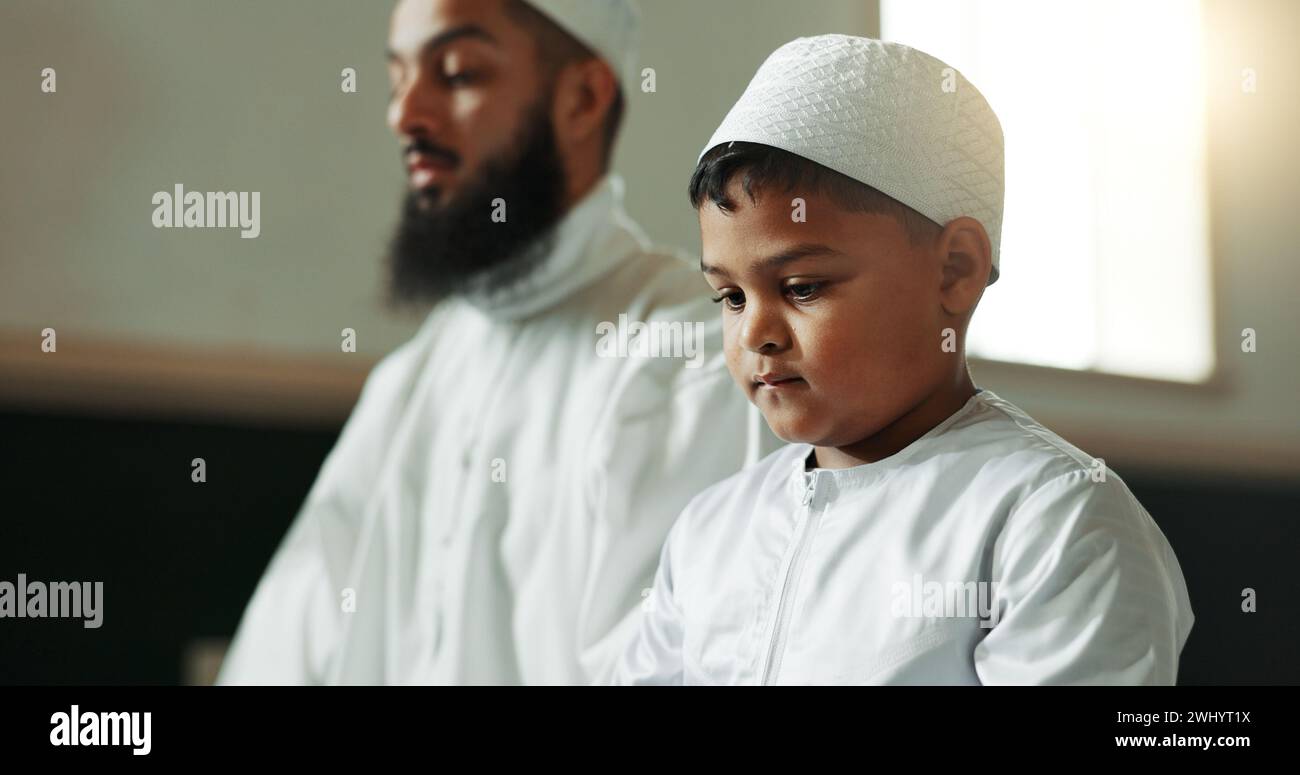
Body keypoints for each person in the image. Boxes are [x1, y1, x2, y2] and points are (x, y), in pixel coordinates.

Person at [218, 0, 774, 685]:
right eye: (397, 80)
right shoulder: (408, 382)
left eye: (455, 73)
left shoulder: (689, 356)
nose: (405, 115)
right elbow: (282, 654)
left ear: (581, 98)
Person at [613, 35, 1195, 685]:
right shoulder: (711, 528)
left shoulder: (1050, 518)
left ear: (955, 270)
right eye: (729, 295)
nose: (755, 332)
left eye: (802, 286)